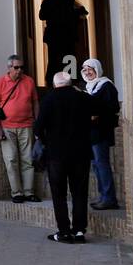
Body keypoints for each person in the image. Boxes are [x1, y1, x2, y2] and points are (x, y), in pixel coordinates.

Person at [34, 71, 95, 243]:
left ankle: (64, 232)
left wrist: (46, 141)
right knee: (79, 192)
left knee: (58, 194)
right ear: (70, 84)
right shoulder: (82, 97)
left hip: (57, 155)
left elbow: (38, 128)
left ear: (54, 84)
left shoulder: (49, 99)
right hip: (80, 154)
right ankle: (79, 231)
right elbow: (100, 108)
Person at [0, 54, 40, 202]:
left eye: (21, 67)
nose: (19, 70)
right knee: (11, 160)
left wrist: (37, 123)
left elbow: (35, 103)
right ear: (9, 68)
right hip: (7, 127)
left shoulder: (29, 81)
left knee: (28, 160)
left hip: (26, 125)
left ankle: (28, 191)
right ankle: (17, 193)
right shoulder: (1, 82)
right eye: (16, 67)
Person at [81, 58, 121, 210]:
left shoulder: (106, 86)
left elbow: (113, 108)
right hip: (91, 132)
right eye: (84, 70)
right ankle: (103, 196)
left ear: (97, 69)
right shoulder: (89, 87)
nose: (87, 72)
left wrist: (97, 115)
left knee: (101, 164)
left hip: (101, 131)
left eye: (90, 69)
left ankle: (109, 198)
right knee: (96, 165)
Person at [39, 0, 88, 87]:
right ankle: (71, 80)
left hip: (54, 35)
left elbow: (42, 15)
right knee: (69, 57)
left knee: (53, 59)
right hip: (66, 34)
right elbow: (71, 13)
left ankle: (51, 81)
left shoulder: (48, 0)